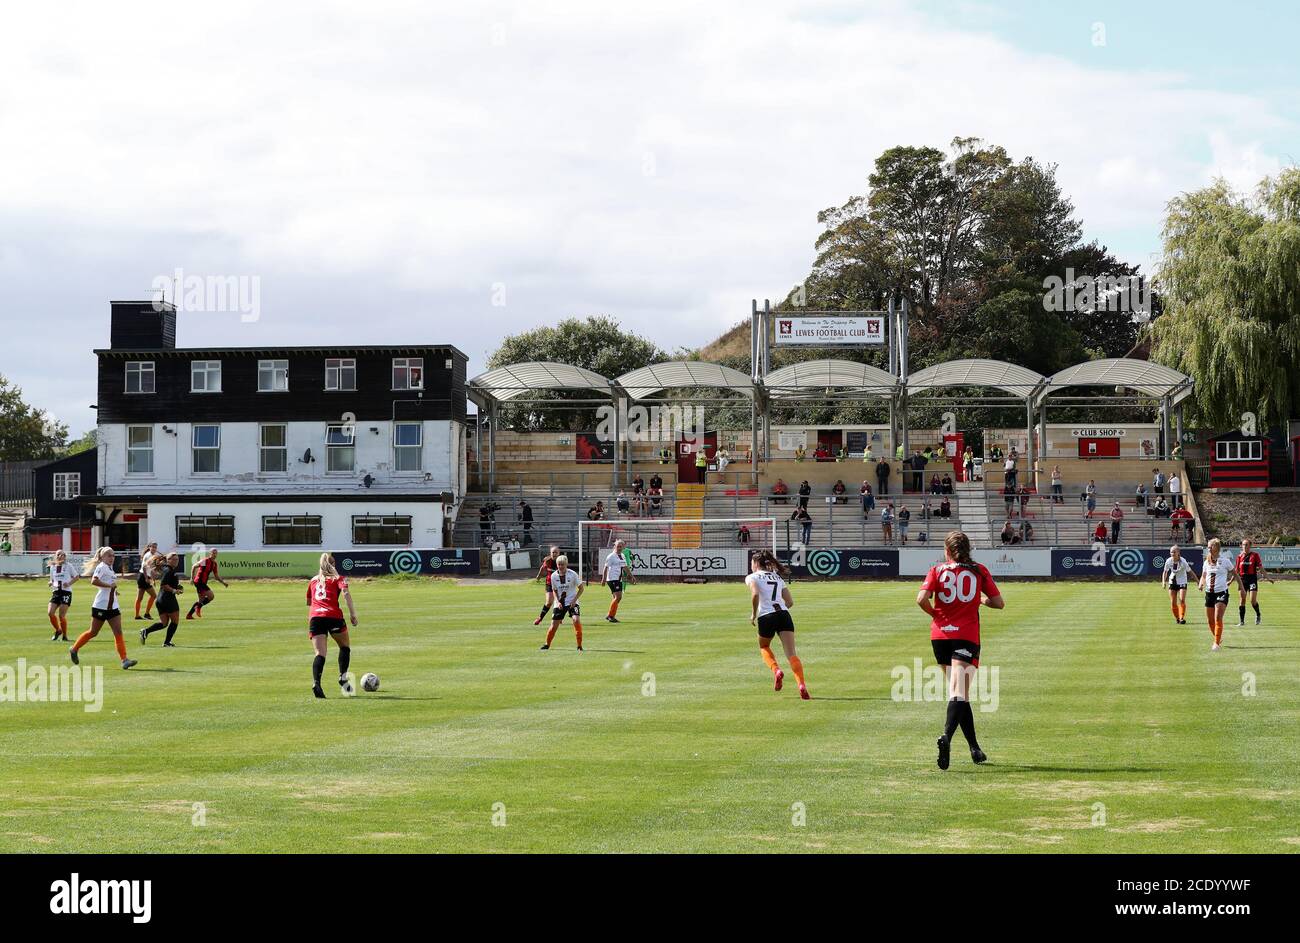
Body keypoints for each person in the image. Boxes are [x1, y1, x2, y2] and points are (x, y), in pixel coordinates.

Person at [916, 530, 1004, 770]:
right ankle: (946, 736)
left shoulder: (936, 570)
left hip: (940, 636)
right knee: (959, 693)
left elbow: (921, 599)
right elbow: (999, 603)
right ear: (968, 549)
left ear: (947, 550)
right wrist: (981, 600)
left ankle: (975, 748)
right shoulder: (979, 570)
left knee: (959, 693)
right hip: (965, 635)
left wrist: (936, 615)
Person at [746, 549, 809, 699]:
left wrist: (754, 614)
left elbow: (755, 594)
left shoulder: (752, 577)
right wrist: (779, 610)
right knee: (791, 653)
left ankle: (776, 670)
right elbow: (790, 602)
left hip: (766, 616)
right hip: (784, 615)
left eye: (751, 563)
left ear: (756, 564)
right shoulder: (777, 577)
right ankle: (801, 685)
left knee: (764, 646)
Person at [68, 547, 138, 670]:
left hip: (113, 606)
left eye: (113, 555)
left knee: (118, 632)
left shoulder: (109, 568)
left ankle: (124, 660)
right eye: (109, 555)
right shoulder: (102, 567)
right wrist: (109, 586)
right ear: (102, 557)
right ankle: (74, 649)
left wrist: (114, 591)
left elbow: (108, 585)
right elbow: (94, 581)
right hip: (101, 606)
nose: (112, 558)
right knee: (93, 632)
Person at [305, 552, 358, 698]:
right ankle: (342, 677)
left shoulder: (313, 580)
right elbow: (345, 593)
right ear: (333, 564)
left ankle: (316, 683)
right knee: (344, 646)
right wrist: (353, 614)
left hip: (315, 618)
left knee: (320, 653)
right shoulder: (338, 578)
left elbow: (309, 602)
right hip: (333, 616)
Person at [140, 552, 185, 646]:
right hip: (168, 599)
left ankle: (146, 631)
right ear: (168, 560)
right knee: (175, 621)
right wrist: (174, 591)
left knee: (164, 623)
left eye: (177, 559)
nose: (176, 561)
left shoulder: (166, 569)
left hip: (160, 600)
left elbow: (168, 583)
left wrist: (177, 587)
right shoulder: (168, 570)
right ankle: (167, 642)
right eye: (174, 559)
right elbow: (164, 585)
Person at [1198, 538, 1235, 651]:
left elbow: (1235, 573)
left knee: (1218, 617)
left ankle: (1216, 643)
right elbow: (1204, 575)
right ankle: (1217, 637)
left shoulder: (1225, 561)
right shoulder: (1206, 562)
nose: (1208, 548)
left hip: (1221, 592)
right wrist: (1201, 583)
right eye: (1208, 547)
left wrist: (1241, 587)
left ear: (1217, 548)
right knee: (1210, 621)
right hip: (1209, 593)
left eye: (1211, 546)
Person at [541, 554, 584, 652]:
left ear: (566, 564)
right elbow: (554, 590)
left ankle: (579, 645)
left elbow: (581, 588)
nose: (560, 566)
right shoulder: (553, 576)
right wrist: (557, 601)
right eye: (559, 564)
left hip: (572, 602)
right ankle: (547, 644)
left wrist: (574, 600)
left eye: (562, 564)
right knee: (553, 625)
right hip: (560, 603)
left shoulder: (573, 574)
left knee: (576, 620)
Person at [1235, 539, 1271, 627]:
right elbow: (1236, 570)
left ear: (1250, 546)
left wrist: (1268, 578)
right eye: (1243, 544)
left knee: (1252, 601)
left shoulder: (1255, 555)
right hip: (1242, 580)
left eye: (1246, 544)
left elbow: (1261, 568)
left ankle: (1258, 614)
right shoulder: (1239, 556)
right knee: (1242, 600)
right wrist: (1230, 581)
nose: (1244, 546)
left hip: (1252, 580)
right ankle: (1241, 621)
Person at [187, 549, 228, 620]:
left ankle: (189, 615)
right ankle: (198, 607)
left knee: (201, 600)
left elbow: (216, 576)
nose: (215, 555)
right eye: (213, 553)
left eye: (216, 553)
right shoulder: (205, 561)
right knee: (211, 596)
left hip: (203, 582)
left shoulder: (214, 564)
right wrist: (192, 578)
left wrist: (223, 583)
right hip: (199, 581)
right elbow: (194, 566)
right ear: (210, 553)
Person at [47, 549, 79, 641]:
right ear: (56, 556)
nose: (61, 556)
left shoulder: (68, 566)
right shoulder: (53, 567)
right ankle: (58, 630)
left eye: (63, 554)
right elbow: (52, 579)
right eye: (59, 554)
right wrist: (50, 582)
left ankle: (65, 636)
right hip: (56, 592)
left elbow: (76, 577)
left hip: (66, 592)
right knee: (50, 613)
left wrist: (68, 583)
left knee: (61, 616)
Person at [602, 539, 633, 623]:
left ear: (623, 547)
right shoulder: (611, 556)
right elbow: (605, 567)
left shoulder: (622, 555)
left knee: (616, 598)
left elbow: (625, 567)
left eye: (620, 547)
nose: (619, 548)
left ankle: (610, 615)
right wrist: (603, 579)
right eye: (618, 546)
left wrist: (631, 576)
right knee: (618, 597)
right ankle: (610, 616)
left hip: (618, 579)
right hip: (612, 579)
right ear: (614, 546)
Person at [1162, 545, 1192, 625]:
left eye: (1174, 552)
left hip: (1182, 581)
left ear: (1178, 553)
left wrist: (1198, 581)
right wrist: (1164, 582)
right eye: (1171, 552)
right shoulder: (1168, 561)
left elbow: (1190, 571)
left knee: (1182, 600)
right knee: (1173, 602)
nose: (1172, 553)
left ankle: (1181, 618)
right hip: (1172, 581)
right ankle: (1177, 618)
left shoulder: (1183, 561)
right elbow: (1165, 572)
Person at [533, 546, 562, 625]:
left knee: (560, 601)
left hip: (560, 584)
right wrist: (539, 576)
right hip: (549, 583)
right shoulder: (547, 561)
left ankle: (559, 617)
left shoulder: (562, 561)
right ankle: (540, 618)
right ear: (550, 553)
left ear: (559, 553)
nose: (554, 554)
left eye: (556, 552)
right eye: (553, 552)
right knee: (549, 602)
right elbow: (542, 568)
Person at [134, 542, 159, 621]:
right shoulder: (148, 555)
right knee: (154, 595)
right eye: (153, 547)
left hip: (142, 577)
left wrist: (153, 579)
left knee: (140, 598)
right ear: (149, 547)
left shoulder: (152, 555)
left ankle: (137, 615)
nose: (154, 548)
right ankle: (146, 614)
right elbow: (144, 567)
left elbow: (150, 569)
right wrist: (146, 578)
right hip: (143, 577)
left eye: (155, 547)